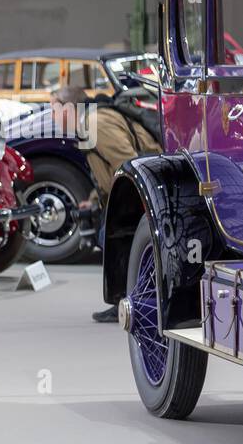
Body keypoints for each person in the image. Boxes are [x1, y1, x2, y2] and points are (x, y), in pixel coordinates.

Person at [48, 84, 162, 322]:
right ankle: (128, 299)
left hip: (143, 194)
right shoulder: (88, 125)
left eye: (53, 110)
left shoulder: (95, 123)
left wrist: (127, 211)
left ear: (67, 109)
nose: (52, 117)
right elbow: (106, 169)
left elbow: (128, 163)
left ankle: (136, 301)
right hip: (134, 194)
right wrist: (92, 200)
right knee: (108, 239)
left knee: (111, 239)